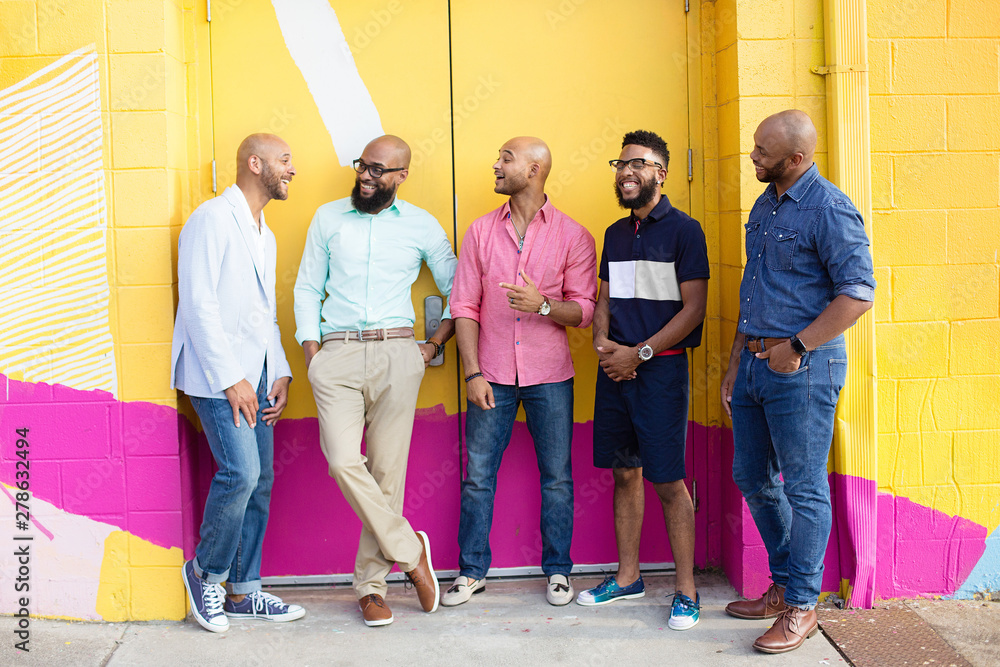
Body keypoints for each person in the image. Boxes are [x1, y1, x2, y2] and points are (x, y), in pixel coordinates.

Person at [720, 110, 875, 654]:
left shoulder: (829, 208)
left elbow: (857, 294)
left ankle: (802, 607)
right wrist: (739, 359)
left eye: (762, 151)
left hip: (805, 368)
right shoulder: (766, 204)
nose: (753, 157)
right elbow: (754, 290)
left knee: (805, 488)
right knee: (750, 476)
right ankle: (784, 585)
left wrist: (798, 347)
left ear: (796, 158)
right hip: (757, 364)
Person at [293, 135, 456, 628]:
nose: (366, 175)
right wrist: (312, 352)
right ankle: (411, 553)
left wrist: (431, 347)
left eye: (379, 170)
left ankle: (370, 588)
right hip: (336, 353)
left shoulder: (422, 224)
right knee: (344, 461)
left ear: (401, 176)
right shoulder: (327, 217)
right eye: (363, 165)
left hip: (397, 352)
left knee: (387, 475)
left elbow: (459, 290)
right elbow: (306, 285)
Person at [442, 137, 597, 608]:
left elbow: (585, 311)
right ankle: (471, 573)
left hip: (550, 375)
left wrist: (543, 304)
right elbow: (464, 305)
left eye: (505, 158)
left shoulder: (574, 236)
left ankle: (557, 571)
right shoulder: (480, 232)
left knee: (557, 477)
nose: (496, 164)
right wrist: (472, 372)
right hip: (490, 371)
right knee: (477, 476)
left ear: (534, 169)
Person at [172, 133, 305, 633]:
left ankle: (244, 592)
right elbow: (199, 304)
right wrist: (231, 379)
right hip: (216, 375)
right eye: (285, 161)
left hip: (258, 373)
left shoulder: (263, 233)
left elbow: (263, 313)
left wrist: (281, 370)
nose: (293, 170)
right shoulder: (210, 219)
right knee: (241, 474)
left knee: (262, 481)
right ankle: (205, 573)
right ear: (256, 163)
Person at [577, 130, 709, 632]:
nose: (625, 172)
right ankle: (628, 577)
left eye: (638, 163)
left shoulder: (685, 231)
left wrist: (641, 353)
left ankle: (686, 590)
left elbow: (694, 309)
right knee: (624, 472)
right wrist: (605, 345)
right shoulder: (614, 232)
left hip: (662, 369)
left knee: (667, 479)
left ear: (661, 172)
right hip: (615, 369)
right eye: (619, 163)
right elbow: (605, 297)